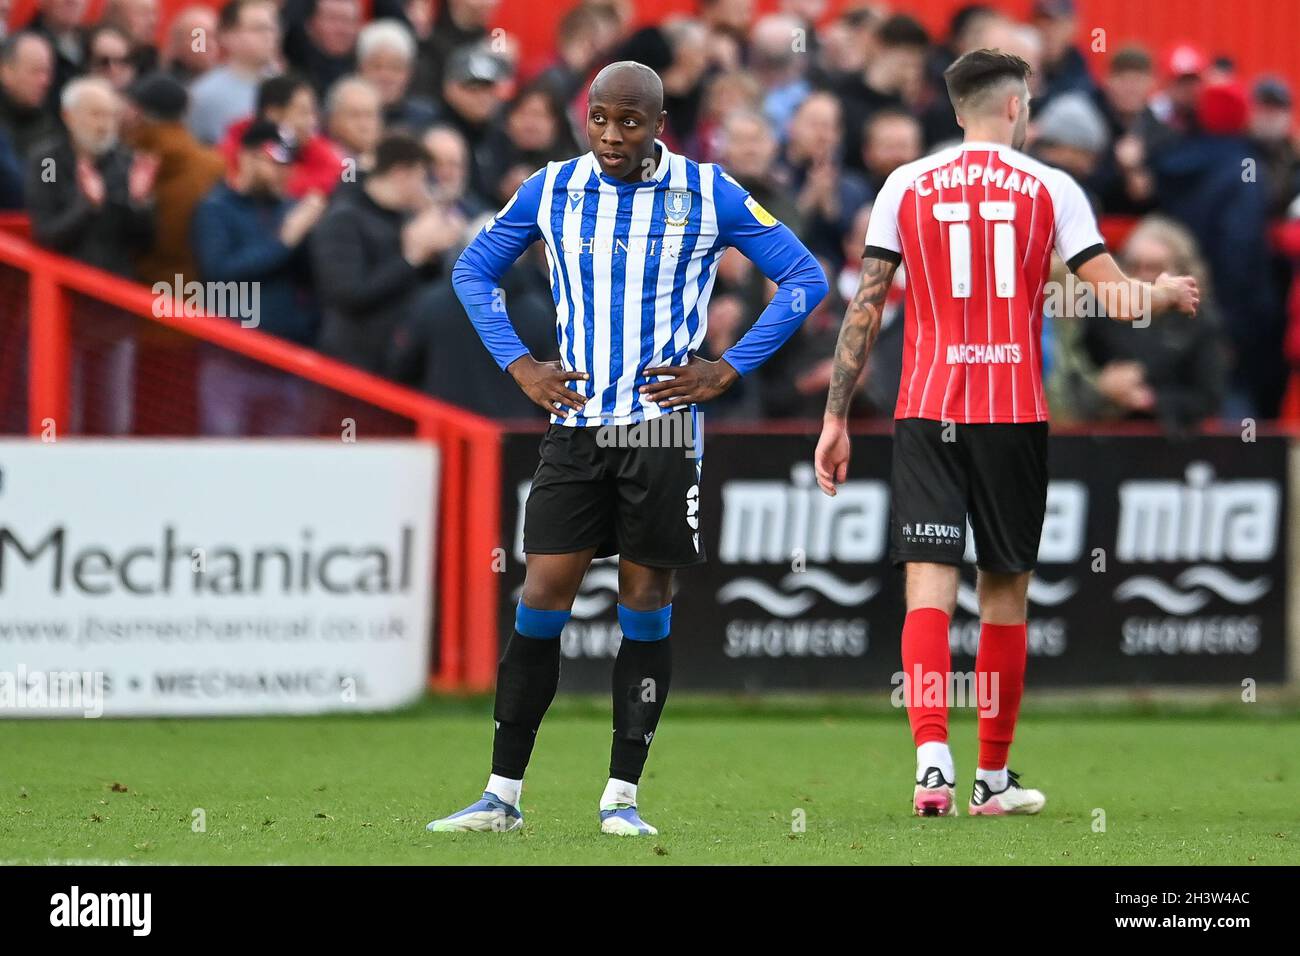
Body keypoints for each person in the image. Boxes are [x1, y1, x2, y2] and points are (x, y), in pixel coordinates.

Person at [428, 61, 827, 836]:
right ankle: (502, 795)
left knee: (645, 600)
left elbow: (805, 279)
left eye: (631, 121)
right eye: (601, 119)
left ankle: (621, 796)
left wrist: (728, 368)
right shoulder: (552, 188)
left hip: (663, 428)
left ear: (660, 121)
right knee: (542, 593)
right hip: (577, 424)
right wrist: (520, 365)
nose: (613, 136)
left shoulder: (707, 192)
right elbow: (473, 269)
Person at [814, 50, 1198, 818]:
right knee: (1003, 593)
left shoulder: (904, 183)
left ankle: (932, 765)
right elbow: (1115, 302)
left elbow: (866, 306)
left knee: (927, 585)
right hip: (1011, 412)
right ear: (1018, 109)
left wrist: (834, 416)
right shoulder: (1053, 188)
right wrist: (1162, 292)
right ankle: (992, 780)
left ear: (956, 111)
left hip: (926, 407)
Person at [191, 120, 325, 434]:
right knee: (223, 459)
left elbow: (312, 279)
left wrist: (312, 236)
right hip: (232, 358)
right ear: (247, 157)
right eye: (275, 162)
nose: (284, 172)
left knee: (286, 466)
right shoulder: (215, 209)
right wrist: (285, 241)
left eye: (289, 164)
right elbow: (221, 275)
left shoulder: (291, 209)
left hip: (289, 357)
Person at [312, 132, 463, 374]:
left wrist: (435, 254)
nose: (426, 189)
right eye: (422, 178)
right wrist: (411, 258)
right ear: (401, 174)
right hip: (346, 365)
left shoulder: (406, 221)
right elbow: (348, 294)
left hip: (393, 365)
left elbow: (425, 291)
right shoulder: (342, 220)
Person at [124, 71, 225, 286]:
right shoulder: (215, 164)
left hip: (140, 291)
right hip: (198, 291)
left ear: (138, 113)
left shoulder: (129, 161)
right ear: (186, 111)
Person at [187, 0, 281, 145]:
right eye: (259, 29)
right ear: (227, 36)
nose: (269, 36)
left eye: (272, 28)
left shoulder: (287, 85)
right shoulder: (204, 95)